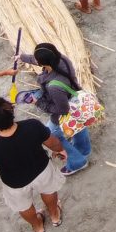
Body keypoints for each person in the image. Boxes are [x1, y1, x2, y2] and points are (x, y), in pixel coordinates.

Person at [0, 97, 65, 232]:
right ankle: (55, 216)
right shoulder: (32, 125)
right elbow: (52, 142)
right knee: (48, 191)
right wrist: (59, 150)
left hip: (15, 184)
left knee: (24, 206)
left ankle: (38, 227)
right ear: (12, 112)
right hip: (42, 170)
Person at [19, 41, 96, 175]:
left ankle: (78, 162)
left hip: (62, 113)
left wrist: (38, 102)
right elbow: (40, 59)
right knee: (79, 124)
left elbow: (62, 110)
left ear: (44, 63)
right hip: (77, 104)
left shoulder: (54, 87)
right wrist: (22, 57)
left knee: (51, 135)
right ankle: (84, 149)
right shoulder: (62, 59)